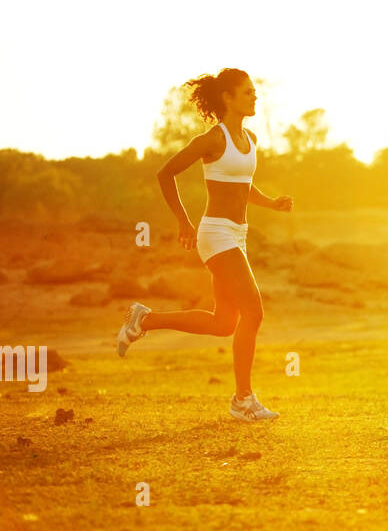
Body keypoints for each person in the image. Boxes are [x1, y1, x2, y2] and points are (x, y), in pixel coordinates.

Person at [116, 67, 292, 421]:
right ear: (227, 97)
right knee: (254, 311)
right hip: (216, 233)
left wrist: (271, 203)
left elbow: (242, 185)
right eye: (247, 92)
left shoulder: (251, 140)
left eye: (254, 92)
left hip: (237, 235)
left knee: (224, 322)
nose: (254, 97)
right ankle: (243, 399)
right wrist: (183, 219)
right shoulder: (212, 140)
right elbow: (165, 173)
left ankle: (144, 320)